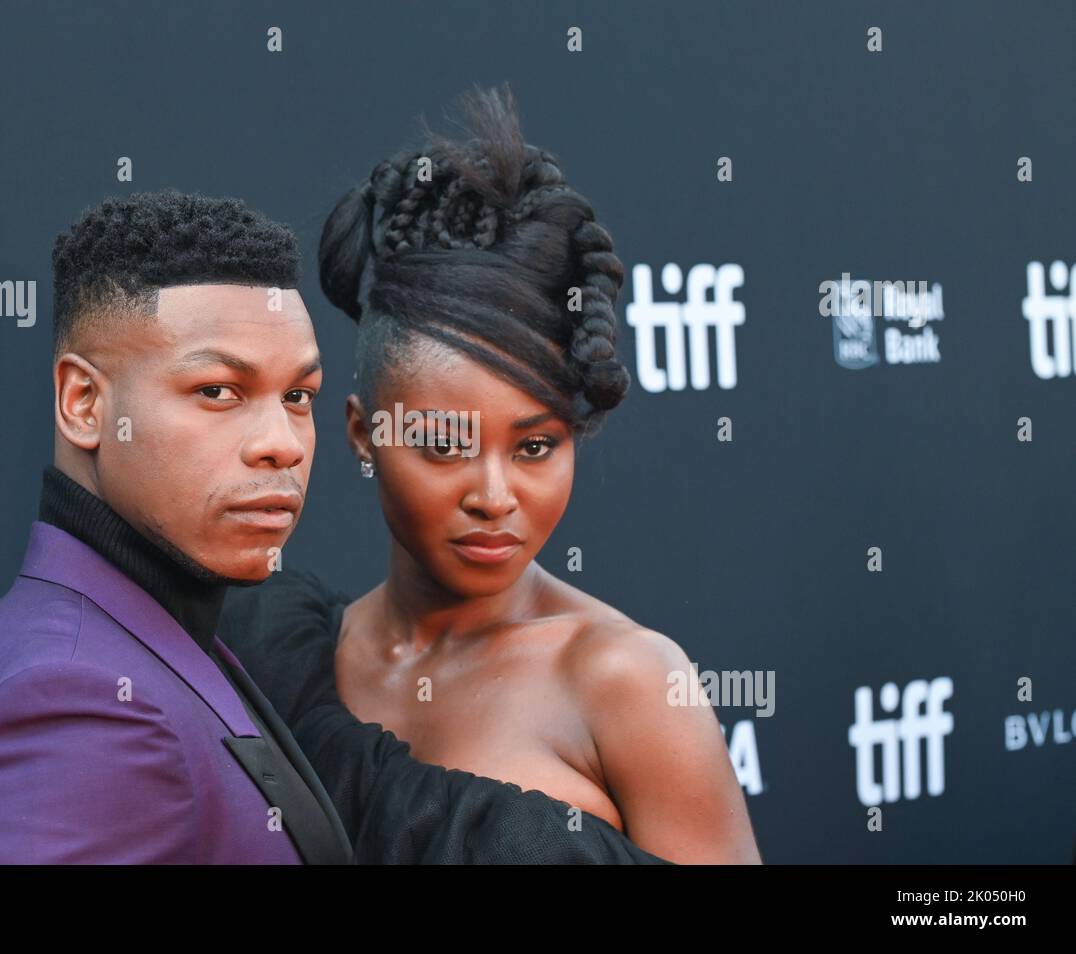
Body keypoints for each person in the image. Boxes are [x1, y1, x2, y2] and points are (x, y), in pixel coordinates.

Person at [0, 188, 670, 864]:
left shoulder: (179, 634)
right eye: (218, 390)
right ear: (83, 404)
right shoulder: (76, 699)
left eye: (297, 396)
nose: (280, 441)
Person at [218, 85, 762, 864]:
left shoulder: (627, 682)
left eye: (535, 447)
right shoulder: (284, 651)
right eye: (444, 446)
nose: (495, 497)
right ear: (362, 433)